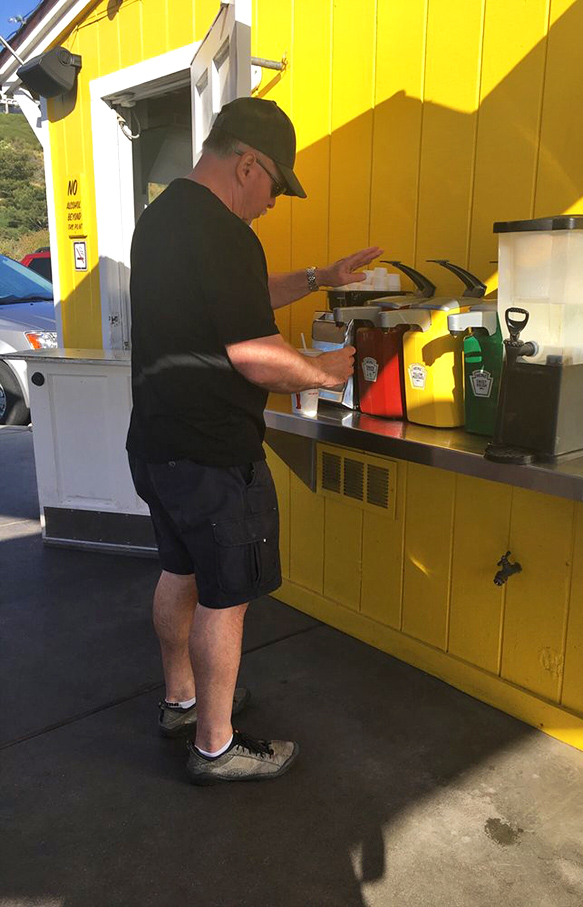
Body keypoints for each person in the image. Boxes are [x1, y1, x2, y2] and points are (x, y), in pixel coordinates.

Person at [126, 96, 382, 785]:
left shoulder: (162, 218)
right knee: (224, 594)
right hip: (212, 451)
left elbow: (236, 296)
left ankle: (182, 702)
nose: (274, 201)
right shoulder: (225, 232)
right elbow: (253, 353)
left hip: (156, 443)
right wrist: (324, 370)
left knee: (180, 570)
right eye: (276, 185)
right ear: (247, 165)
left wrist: (317, 279)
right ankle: (215, 746)